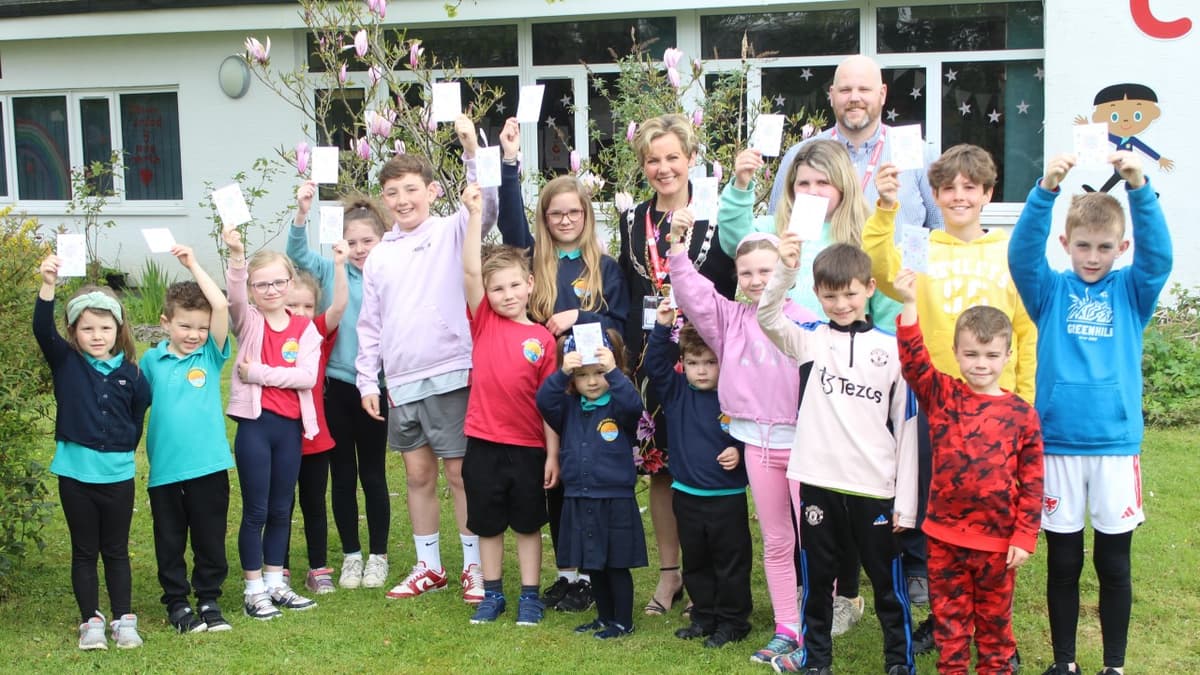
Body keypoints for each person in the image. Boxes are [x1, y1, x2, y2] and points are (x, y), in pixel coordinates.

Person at [722, 139, 902, 639]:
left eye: (824, 182)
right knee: (811, 492)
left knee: (841, 487)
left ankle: (845, 594)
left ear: (843, 186)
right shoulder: (782, 233)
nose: (814, 190)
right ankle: (809, 591)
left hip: (846, 372)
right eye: (804, 183)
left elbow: (881, 304)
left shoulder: (860, 236)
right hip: (780, 381)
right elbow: (738, 241)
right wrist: (739, 189)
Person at [863, 144, 1038, 652]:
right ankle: (943, 618)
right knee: (933, 511)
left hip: (1000, 409)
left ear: (987, 193)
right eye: (949, 188)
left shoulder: (1007, 251)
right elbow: (880, 269)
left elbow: (1025, 328)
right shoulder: (922, 244)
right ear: (936, 195)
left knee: (996, 516)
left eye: (970, 187)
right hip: (939, 402)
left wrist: (1022, 398)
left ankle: (996, 626)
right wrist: (887, 207)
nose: (959, 196)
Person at [1008, 151, 1172, 675]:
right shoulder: (1050, 290)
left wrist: (1139, 187)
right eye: (1083, 246)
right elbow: (1020, 255)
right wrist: (1046, 191)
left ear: (1122, 247)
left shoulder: (1131, 290)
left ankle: (1113, 665)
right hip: (1057, 442)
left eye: (1105, 247)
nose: (1093, 256)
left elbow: (1160, 258)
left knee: (1113, 564)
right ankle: (1065, 663)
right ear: (1066, 244)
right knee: (1063, 562)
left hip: (1114, 447)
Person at [758, 241, 919, 675]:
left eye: (849, 293)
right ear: (817, 293)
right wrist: (785, 272)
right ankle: (816, 661)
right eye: (830, 296)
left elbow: (907, 431)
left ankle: (899, 663)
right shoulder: (809, 339)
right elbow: (767, 317)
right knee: (817, 585)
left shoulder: (893, 350)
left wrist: (904, 502)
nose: (840, 304)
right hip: (819, 482)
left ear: (868, 288)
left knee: (888, 586)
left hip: (874, 488)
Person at [356, 115, 498, 603]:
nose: (402, 200)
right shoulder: (378, 256)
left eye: (411, 189)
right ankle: (429, 566)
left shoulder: (452, 231)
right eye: (392, 193)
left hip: (451, 374)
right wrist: (367, 383)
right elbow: (370, 325)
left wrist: (470, 151)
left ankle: (474, 567)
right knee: (417, 476)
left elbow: (487, 205)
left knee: (460, 474)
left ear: (433, 190)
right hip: (401, 382)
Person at [495, 117, 628, 611]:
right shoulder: (535, 262)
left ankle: (593, 576)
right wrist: (510, 162)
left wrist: (580, 313)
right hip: (548, 388)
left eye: (573, 212)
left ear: (587, 215)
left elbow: (623, 322)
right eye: (555, 214)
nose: (565, 220)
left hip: (593, 390)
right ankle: (567, 572)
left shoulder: (605, 266)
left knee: (589, 476)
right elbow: (509, 222)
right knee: (555, 478)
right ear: (546, 219)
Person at [668, 223, 816, 662]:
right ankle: (787, 627)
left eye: (765, 271)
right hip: (757, 445)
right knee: (776, 541)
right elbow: (693, 294)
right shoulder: (730, 321)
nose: (755, 281)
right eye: (746, 272)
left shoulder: (806, 319)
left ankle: (817, 622)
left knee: (814, 540)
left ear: (785, 270)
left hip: (804, 445)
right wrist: (677, 247)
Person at [893, 268, 1044, 674]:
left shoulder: (1022, 416)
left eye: (992, 355)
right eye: (972, 354)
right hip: (944, 538)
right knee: (950, 627)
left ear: (1007, 356)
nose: (981, 364)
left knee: (995, 633)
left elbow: (1032, 482)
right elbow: (914, 361)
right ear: (957, 353)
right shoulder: (942, 396)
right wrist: (909, 303)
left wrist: (1025, 535)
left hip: (997, 544)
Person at [617, 113, 737, 616]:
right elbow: (627, 294)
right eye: (652, 160)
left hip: (706, 364)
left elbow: (733, 290)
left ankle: (708, 575)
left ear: (690, 159)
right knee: (661, 472)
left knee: (710, 466)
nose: (663, 168)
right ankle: (672, 576)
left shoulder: (714, 217)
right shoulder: (630, 220)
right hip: (653, 367)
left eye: (672, 158)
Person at [34, 259, 151, 650]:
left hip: (117, 477)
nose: (97, 336)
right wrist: (48, 285)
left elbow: (137, 415)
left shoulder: (132, 374)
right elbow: (40, 329)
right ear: (74, 332)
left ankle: (123, 618)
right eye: (87, 329)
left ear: (118, 330)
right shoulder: (67, 363)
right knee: (84, 551)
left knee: (116, 550)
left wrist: (120, 448)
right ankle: (91, 622)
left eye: (105, 328)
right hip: (75, 476)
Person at [460, 182, 560, 626]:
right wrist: (472, 219)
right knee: (487, 524)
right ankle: (493, 593)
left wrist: (552, 453)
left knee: (526, 525)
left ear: (529, 284)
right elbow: (467, 273)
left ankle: (531, 596)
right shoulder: (482, 322)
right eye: (496, 288)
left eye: (513, 285)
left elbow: (550, 403)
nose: (505, 294)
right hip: (482, 443)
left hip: (528, 447)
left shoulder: (541, 339)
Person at [289, 188, 393, 591]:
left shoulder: (389, 273)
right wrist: (302, 213)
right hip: (335, 387)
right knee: (343, 474)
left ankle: (378, 555)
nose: (360, 249)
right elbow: (297, 254)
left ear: (382, 240)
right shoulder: (330, 268)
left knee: (373, 473)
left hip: (376, 388)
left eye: (367, 241)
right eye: (352, 242)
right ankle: (351, 554)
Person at [224, 227, 323, 620]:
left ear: (290, 283)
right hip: (255, 426)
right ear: (252, 289)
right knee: (257, 510)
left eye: (278, 282)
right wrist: (236, 256)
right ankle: (253, 590)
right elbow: (232, 297)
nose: (270, 290)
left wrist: (260, 372)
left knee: (283, 508)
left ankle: (275, 581)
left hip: (289, 429)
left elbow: (307, 378)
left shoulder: (305, 328)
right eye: (261, 284)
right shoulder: (247, 321)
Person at [644, 307, 751, 650]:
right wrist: (662, 328)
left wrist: (739, 452)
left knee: (730, 562)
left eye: (709, 362)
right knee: (697, 560)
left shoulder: (735, 396)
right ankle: (703, 615)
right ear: (683, 364)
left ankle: (734, 621)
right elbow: (654, 366)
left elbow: (754, 437)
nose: (701, 370)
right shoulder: (676, 393)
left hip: (727, 497)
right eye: (693, 363)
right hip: (686, 495)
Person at [141, 245, 234, 634]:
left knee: (210, 538)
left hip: (209, 466)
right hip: (165, 472)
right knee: (170, 540)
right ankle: (178, 604)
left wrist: (194, 264)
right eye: (185, 326)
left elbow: (222, 307)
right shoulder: (149, 361)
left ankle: (209, 599)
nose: (194, 334)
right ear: (165, 323)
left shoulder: (209, 358)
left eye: (201, 327)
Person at [536, 331, 647, 639]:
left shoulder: (619, 407)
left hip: (615, 498)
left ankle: (623, 621)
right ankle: (604, 617)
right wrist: (561, 373)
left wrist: (612, 369)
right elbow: (544, 401)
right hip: (580, 496)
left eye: (599, 373)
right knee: (593, 563)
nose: (593, 382)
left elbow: (635, 405)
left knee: (616, 564)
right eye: (583, 376)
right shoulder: (568, 407)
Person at [768, 54, 941, 233]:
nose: (854, 98)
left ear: (882, 94)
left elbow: (942, 228)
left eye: (864, 89)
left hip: (897, 262)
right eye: (845, 90)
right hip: (820, 261)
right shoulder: (799, 155)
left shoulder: (919, 152)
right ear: (832, 95)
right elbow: (777, 228)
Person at [279, 245, 350, 596]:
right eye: (293, 306)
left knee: (313, 504)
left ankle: (318, 567)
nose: (301, 313)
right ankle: (279, 568)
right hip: (277, 436)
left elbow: (338, 307)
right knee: (281, 504)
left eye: (308, 306)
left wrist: (338, 265)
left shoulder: (317, 335)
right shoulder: (268, 335)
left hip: (314, 438)